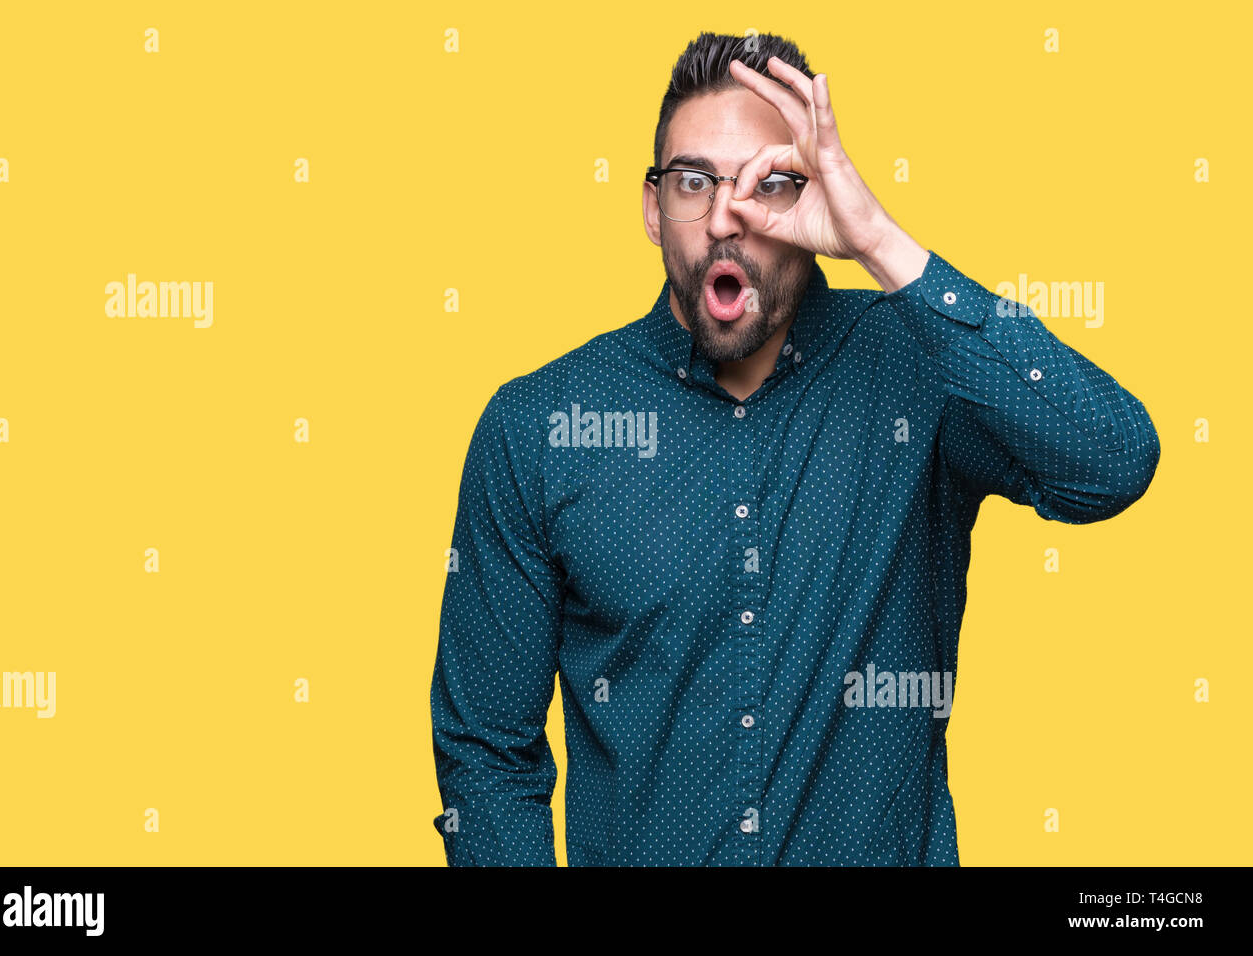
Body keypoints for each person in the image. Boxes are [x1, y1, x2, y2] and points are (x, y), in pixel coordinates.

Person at [429, 31, 1160, 866]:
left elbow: (1113, 460)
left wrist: (885, 244)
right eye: (694, 181)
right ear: (649, 206)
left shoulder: (921, 370)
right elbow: (487, 752)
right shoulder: (538, 427)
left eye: (769, 183)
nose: (726, 219)